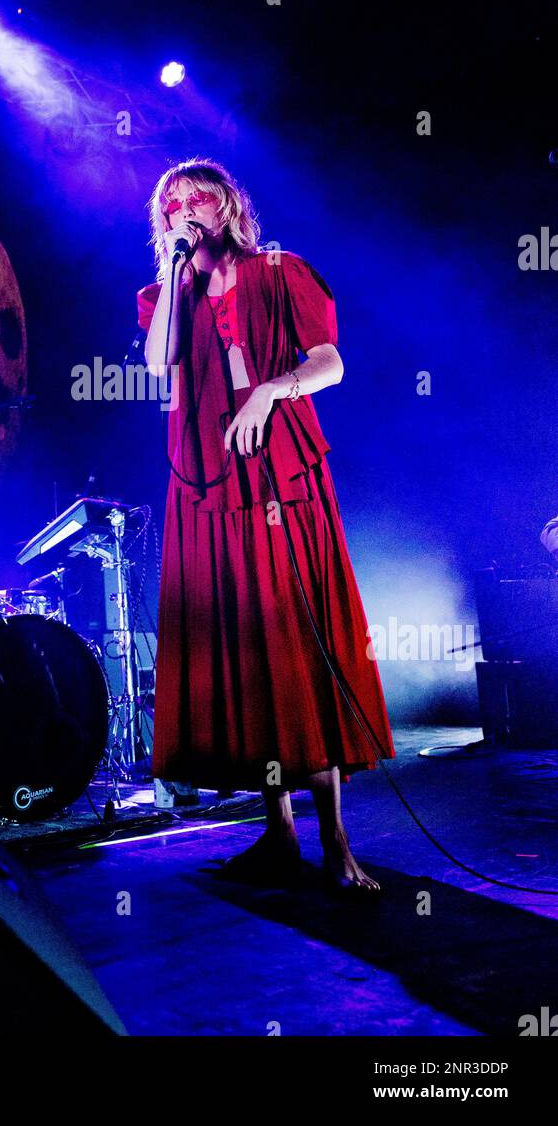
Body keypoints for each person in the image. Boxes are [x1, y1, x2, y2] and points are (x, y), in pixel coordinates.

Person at [136, 159, 395, 895]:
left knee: (295, 643)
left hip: (281, 470)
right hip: (207, 482)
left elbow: (329, 364)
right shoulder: (164, 294)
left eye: (199, 195)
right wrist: (180, 279)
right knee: (243, 650)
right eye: (172, 202)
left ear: (228, 203)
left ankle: (338, 841)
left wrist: (270, 394)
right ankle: (278, 833)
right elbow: (160, 363)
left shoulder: (281, 271)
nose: (186, 208)